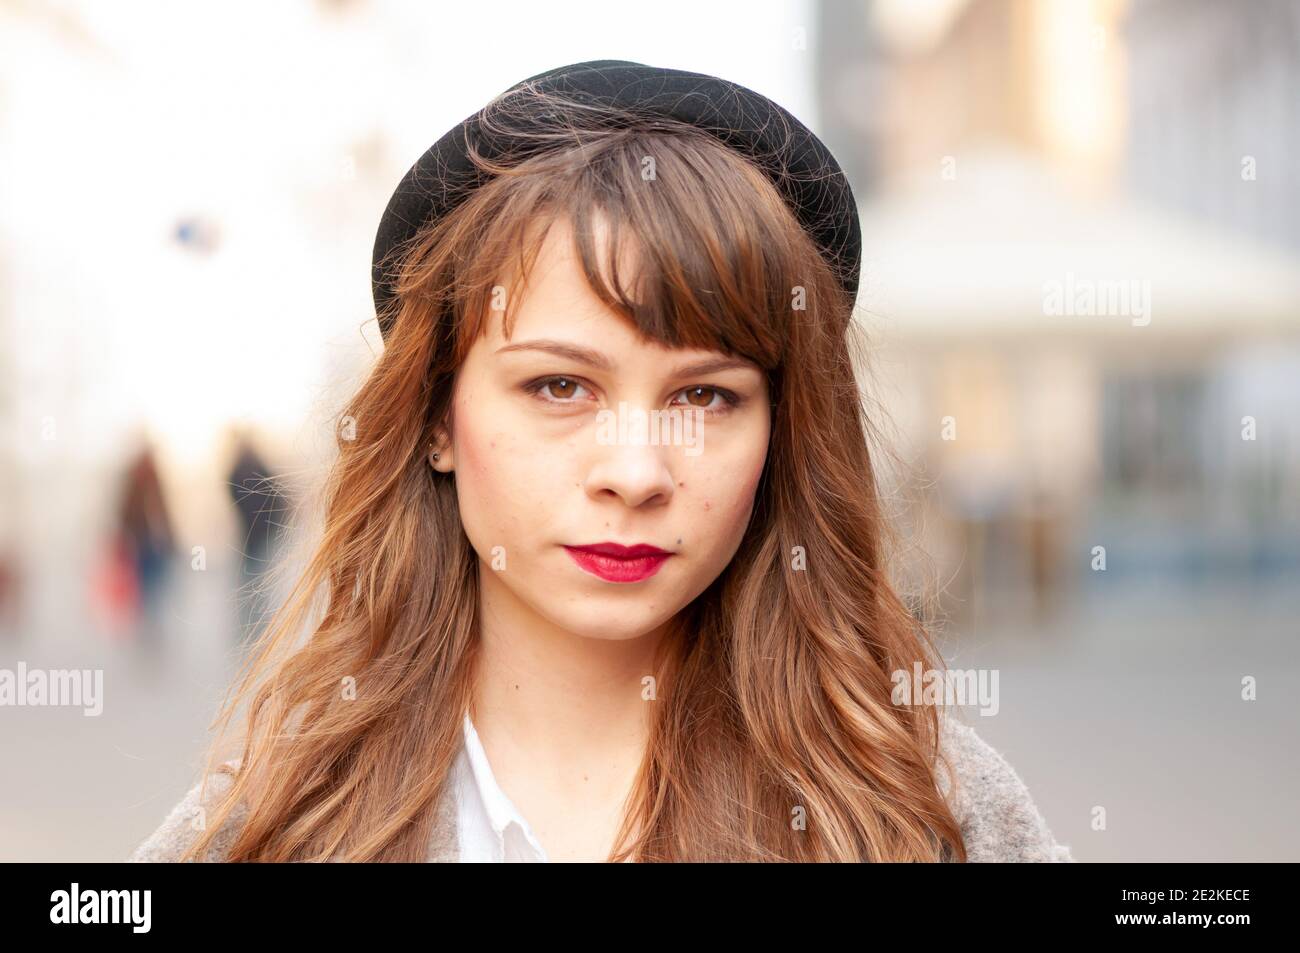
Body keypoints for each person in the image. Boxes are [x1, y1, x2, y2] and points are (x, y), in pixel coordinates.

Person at [129, 60, 1072, 863]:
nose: (635, 470)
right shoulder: (275, 823)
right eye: (558, 387)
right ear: (437, 419)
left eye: (705, 396)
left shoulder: (924, 810)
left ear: (782, 432)